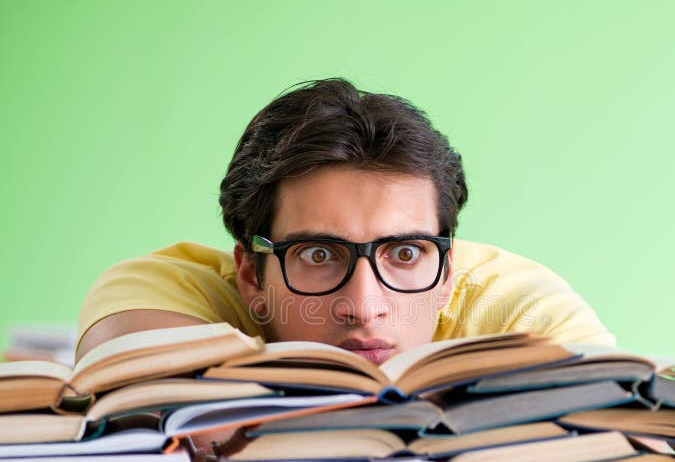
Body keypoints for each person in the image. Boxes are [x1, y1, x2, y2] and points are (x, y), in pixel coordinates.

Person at [77, 78, 615, 363]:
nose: (363, 308)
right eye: (317, 254)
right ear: (250, 277)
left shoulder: (516, 304)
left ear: (448, 273)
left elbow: (638, 454)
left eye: (406, 254)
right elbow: (136, 387)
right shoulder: (170, 287)